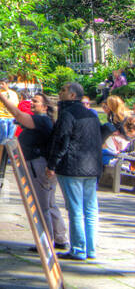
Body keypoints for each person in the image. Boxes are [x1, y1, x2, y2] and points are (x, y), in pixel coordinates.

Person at [0, 85, 67, 250]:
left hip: (38, 166)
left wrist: (0, 96)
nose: (32, 103)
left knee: (41, 206)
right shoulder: (43, 120)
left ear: (45, 107)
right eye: (32, 100)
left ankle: (45, 243)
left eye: (36, 101)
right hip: (40, 164)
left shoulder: (41, 120)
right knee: (50, 203)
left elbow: (17, 114)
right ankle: (60, 239)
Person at [47, 81, 104, 262]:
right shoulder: (92, 115)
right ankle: (91, 249)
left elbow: (62, 140)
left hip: (72, 167)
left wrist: (52, 164)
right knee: (90, 209)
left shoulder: (67, 114)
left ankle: (79, 249)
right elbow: (97, 141)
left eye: (63, 90)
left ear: (72, 95)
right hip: (91, 168)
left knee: (76, 210)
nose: (60, 92)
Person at [0, 82, 19, 154]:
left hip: (11, 118)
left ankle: (8, 157)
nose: (1, 85)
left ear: (7, 84)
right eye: (0, 84)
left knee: (10, 139)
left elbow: (16, 105)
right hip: (2, 117)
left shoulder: (13, 94)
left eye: (3, 84)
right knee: (2, 138)